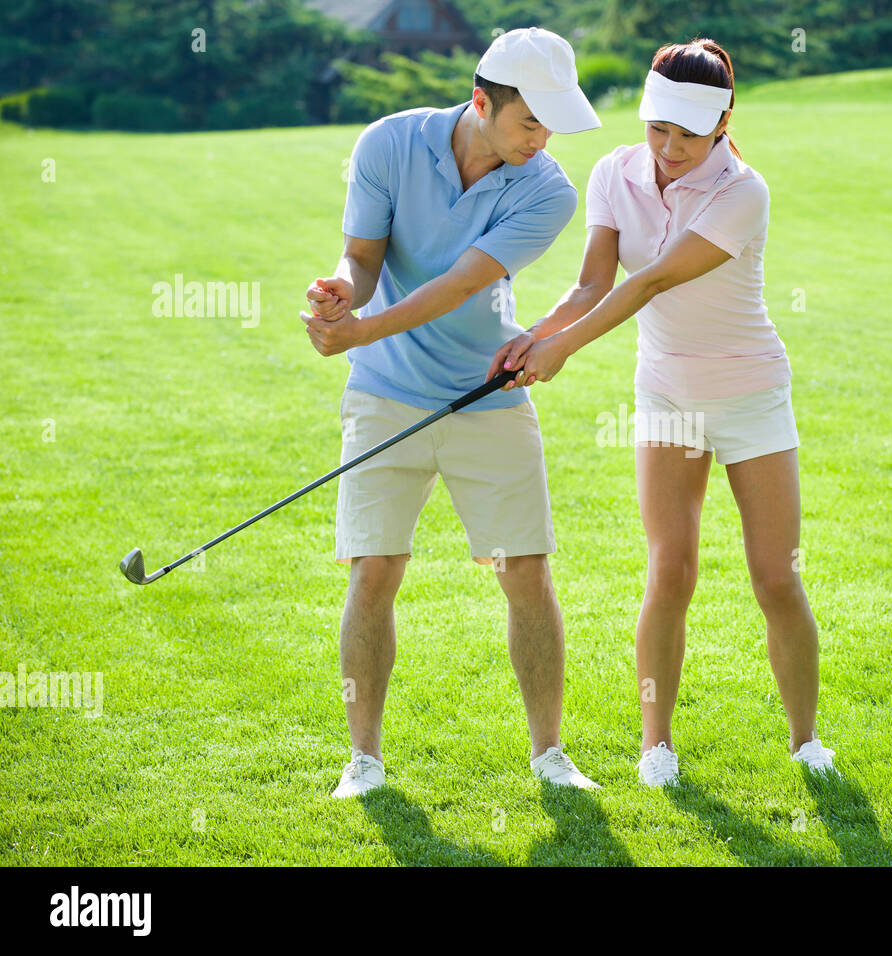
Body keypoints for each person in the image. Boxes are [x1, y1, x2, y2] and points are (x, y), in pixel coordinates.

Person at [487, 39, 836, 786]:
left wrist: (566, 353)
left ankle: (806, 742)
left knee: (776, 577)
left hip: (751, 394)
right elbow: (591, 288)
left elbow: (646, 285)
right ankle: (657, 746)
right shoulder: (615, 171)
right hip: (667, 395)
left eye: (688, 135)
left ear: (722, 124)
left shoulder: (743, 192)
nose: (670, 149)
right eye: (658, 130)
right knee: (669, 570)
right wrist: (531, 340)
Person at [300, 28, 602, 798]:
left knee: (525, 571)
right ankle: (363, 761)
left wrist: (356, 330)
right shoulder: (388, 144)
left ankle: (549, 756)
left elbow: (463, 283)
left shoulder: (547, 189)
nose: (542, 140)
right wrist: (341, 294)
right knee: (374, 569)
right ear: (481, 101)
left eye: (552, 125)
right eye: (529, 122)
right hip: (384, 391)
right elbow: (363, 258)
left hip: (484, 394)